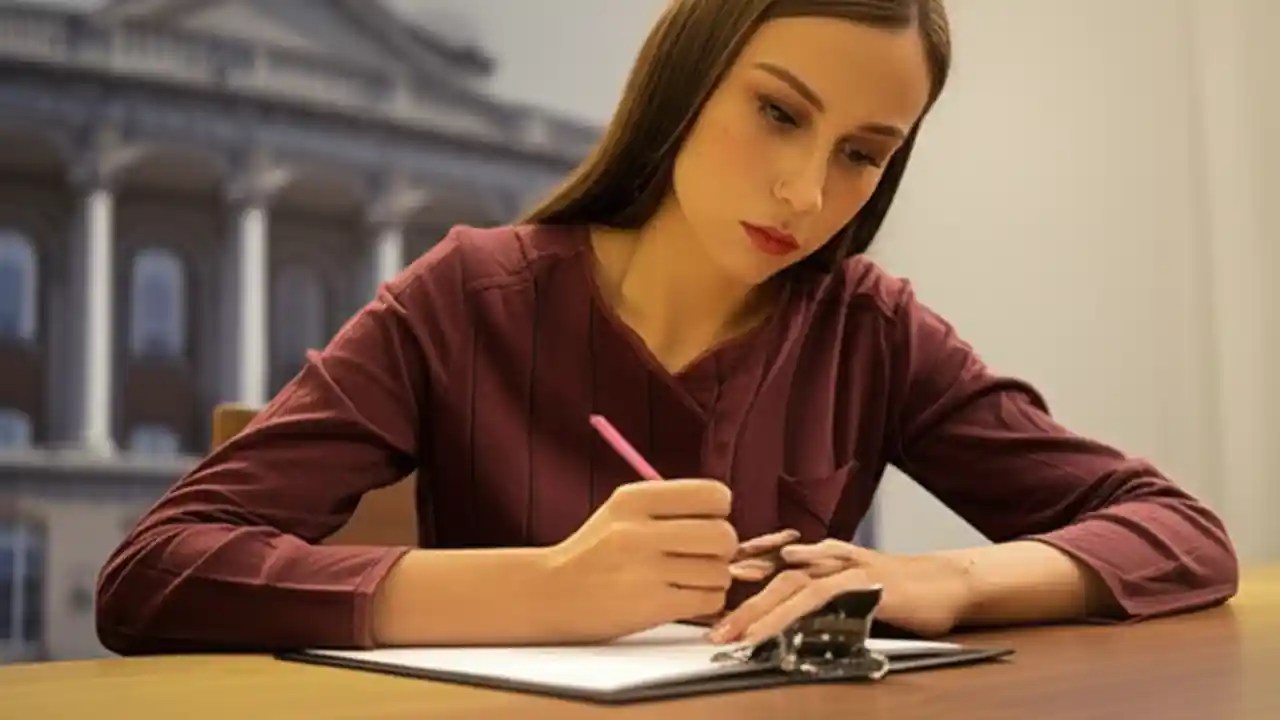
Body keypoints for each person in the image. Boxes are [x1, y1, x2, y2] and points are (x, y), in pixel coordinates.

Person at [95, 0, 1238, 655]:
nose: (803, 193)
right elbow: (152, 574)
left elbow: (1179, 535)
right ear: (687, 81)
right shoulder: (465, 299)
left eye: (861, 153)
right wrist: (544, 589)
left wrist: (942, 580)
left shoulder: (869, 332)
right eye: (777, 113)